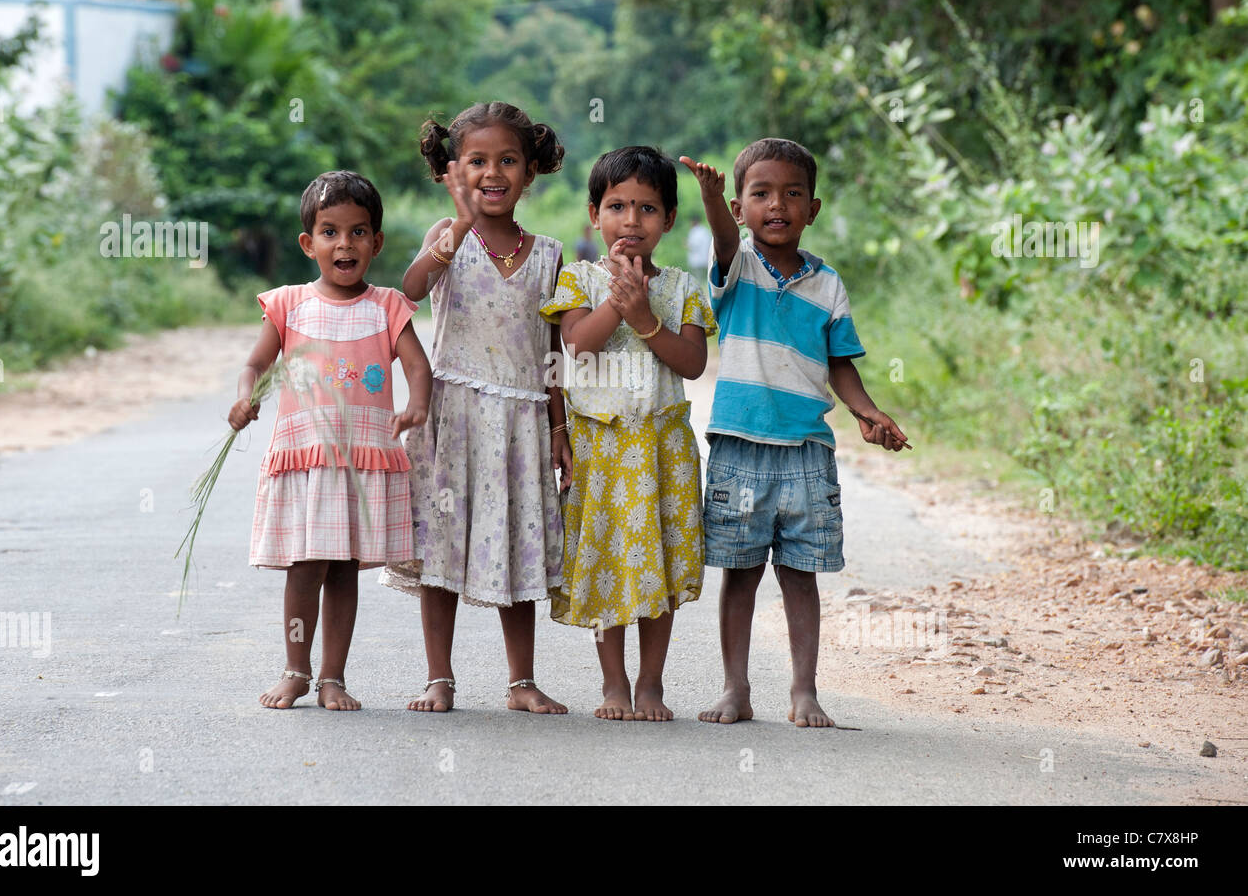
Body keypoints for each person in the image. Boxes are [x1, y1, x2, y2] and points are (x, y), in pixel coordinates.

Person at [680, 140, 908, 729]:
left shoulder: (828, 284)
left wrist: (866, 411)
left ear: (814, 208)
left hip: (807, 452)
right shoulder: (735, 269)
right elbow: (725, 243)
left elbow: (840, 362)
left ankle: (804, 691)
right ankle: (736, 688)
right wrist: (708, 201)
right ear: (738, 207)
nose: (776, 205)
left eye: (792, 194)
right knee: (740, 573)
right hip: (739, 449)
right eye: (760, 194)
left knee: (800, 575)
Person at [383, 102, 571, 715]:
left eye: (508, 160)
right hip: (453, 418)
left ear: (531, 170)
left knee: (517, 545)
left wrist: (559, 425)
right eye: (477, 162)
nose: (493, 173)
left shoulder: (547, 252)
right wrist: (457, 227)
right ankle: (440, 677)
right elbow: (408, 291)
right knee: (440, 553)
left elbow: (552, 351)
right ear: (452, 171)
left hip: (521, 424)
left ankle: (521, 682)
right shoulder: (447, 237)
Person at [230, 170, 432, 711]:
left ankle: (332, 677)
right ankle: (295, 669)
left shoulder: (388, 306)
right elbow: (255, 362)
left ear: (376, 242)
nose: (345, 243)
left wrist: (416, 404)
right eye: (330, 232)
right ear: (309, 243)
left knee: (345, 569)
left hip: (363, 458)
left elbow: (418, 366)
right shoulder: (290, 304)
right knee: (305, 565)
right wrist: (246, 397)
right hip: (309, 458)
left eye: (358, 232)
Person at [540, 146, 718, 722]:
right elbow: (575, 348)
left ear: (668, 219)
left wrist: (646, 318)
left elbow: (691, 363)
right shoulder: (579, 280)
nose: (632, 221)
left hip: (664, 449)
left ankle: (651, 685)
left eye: (647, 209)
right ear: (595, 214)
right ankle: (613, 682)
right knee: (606, 563)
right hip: (602, 448)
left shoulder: (683, 288)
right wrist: (620, 303)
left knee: (658, 568)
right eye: (617, 206)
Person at [686, 218, 711, 286]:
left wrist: (687, 245)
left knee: (697, 275)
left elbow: (693, 244)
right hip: (705, 256)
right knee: (705, 274)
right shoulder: (705, 230)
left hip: (697, 257)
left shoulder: (694, 231)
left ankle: (699, 285)